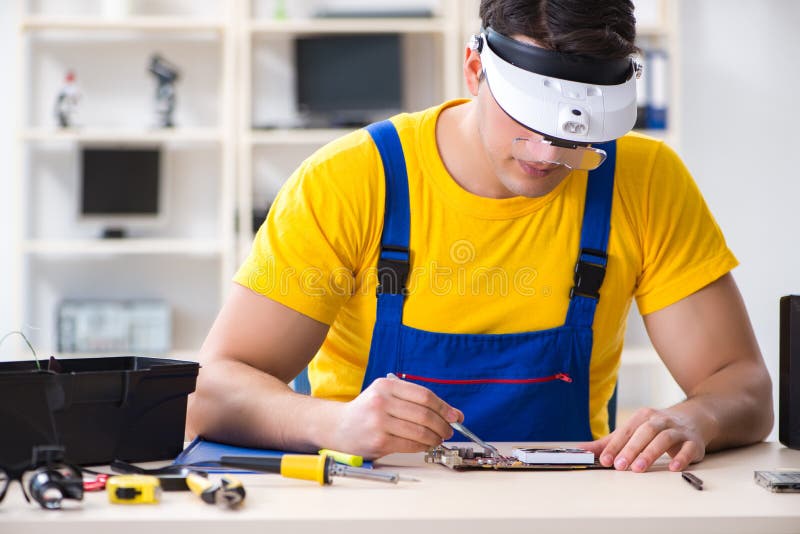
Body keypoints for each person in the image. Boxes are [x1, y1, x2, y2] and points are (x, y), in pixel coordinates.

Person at [187, 0, 773, 473]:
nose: (547, 154)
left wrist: (698, 418)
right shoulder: (350, 181)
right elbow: (208, 391)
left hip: (566, 507)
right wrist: (334, 424)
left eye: (574, 137)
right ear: (475, 70)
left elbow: (743, 385)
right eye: (528, 120)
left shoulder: (644, 182)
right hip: (376, 502)